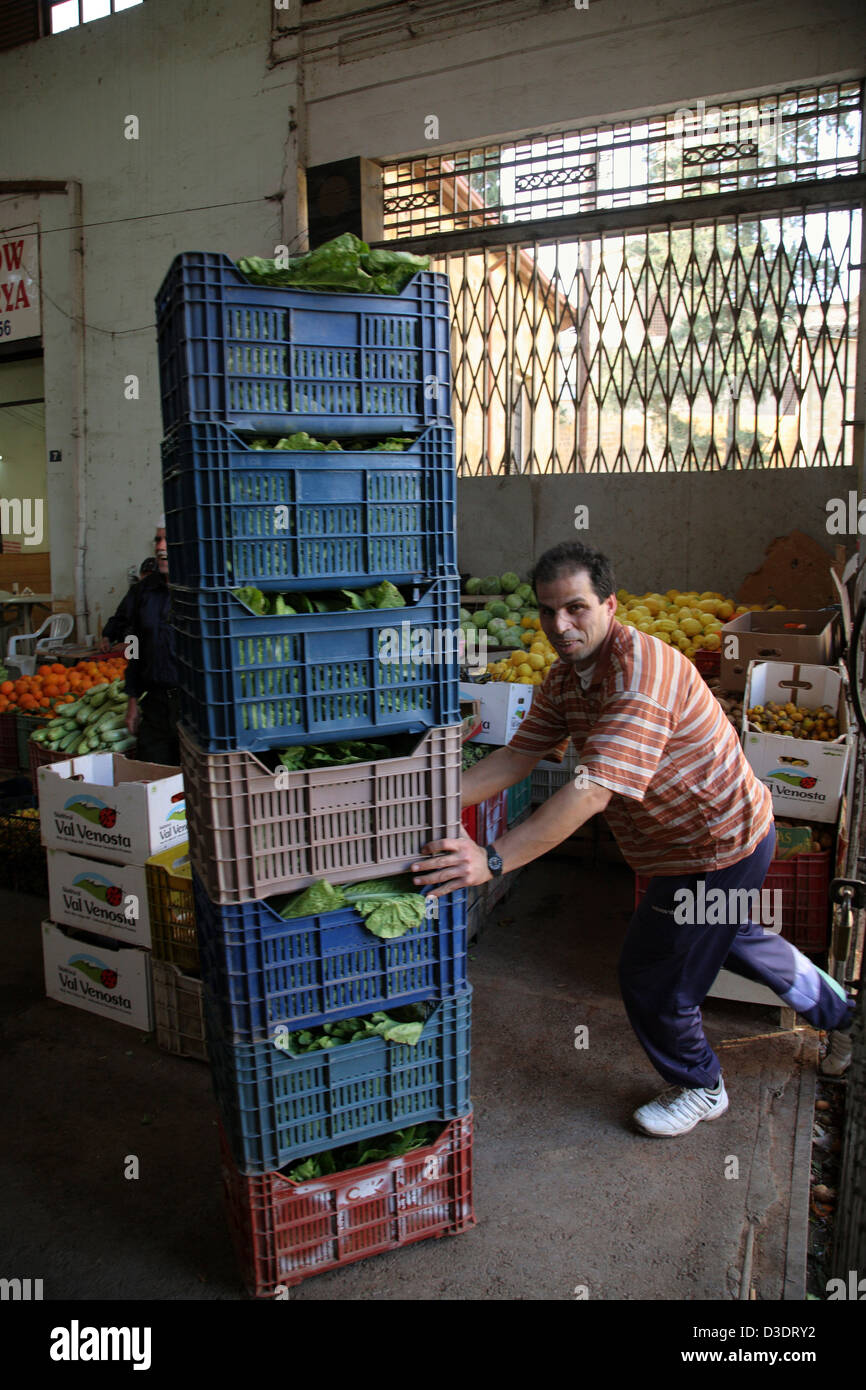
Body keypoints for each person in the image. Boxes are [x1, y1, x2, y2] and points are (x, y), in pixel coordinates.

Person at [413, 540, 854, 1137]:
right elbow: (518, 756)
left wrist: (491, 860)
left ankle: (701, 1086)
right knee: (730, 937)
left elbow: (592, 792)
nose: (560, 625)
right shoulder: (567, 680)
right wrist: (421, 804)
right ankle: (843, 1016)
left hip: (715, 847)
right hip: (693, 846)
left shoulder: (637, 678)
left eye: (575, 608)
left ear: (610, 605)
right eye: (548, 611)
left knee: (653, 974)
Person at [123, 518, 180, 766]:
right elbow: (134, 644)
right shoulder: (142, 592)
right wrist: (132, 700)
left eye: (167, 538)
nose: (160, 546)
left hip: (192, 708)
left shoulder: (202, 590)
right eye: (158, 539)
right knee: (152, 775)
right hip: (155, 705)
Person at [100, 558, 158, 651]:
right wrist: (107, 637)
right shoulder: (134, 592)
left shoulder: (164, 598)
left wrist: (132, 645)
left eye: (151, 576)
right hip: (124, 650)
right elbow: (119, 617)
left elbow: (158, 633)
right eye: (145, 575)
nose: (147, 579)